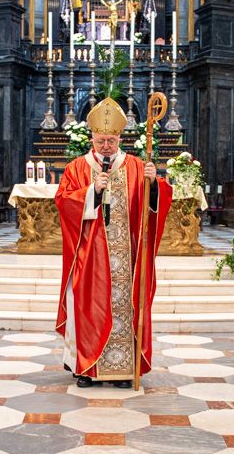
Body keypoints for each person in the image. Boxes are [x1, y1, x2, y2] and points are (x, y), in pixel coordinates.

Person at [54, 97, 172, 389]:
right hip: (89, 255)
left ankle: (123, 370)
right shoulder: (77, 168)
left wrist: (153, 183)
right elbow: (63, 201)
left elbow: (155, 204)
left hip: (126, 255)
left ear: (120, 137)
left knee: (125, 308)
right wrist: (91, 191)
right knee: (87, 309)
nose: (106, 145)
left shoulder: (135, 166)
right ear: (91, 137)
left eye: (111, 139)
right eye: (101, 140)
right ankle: (86, 367)